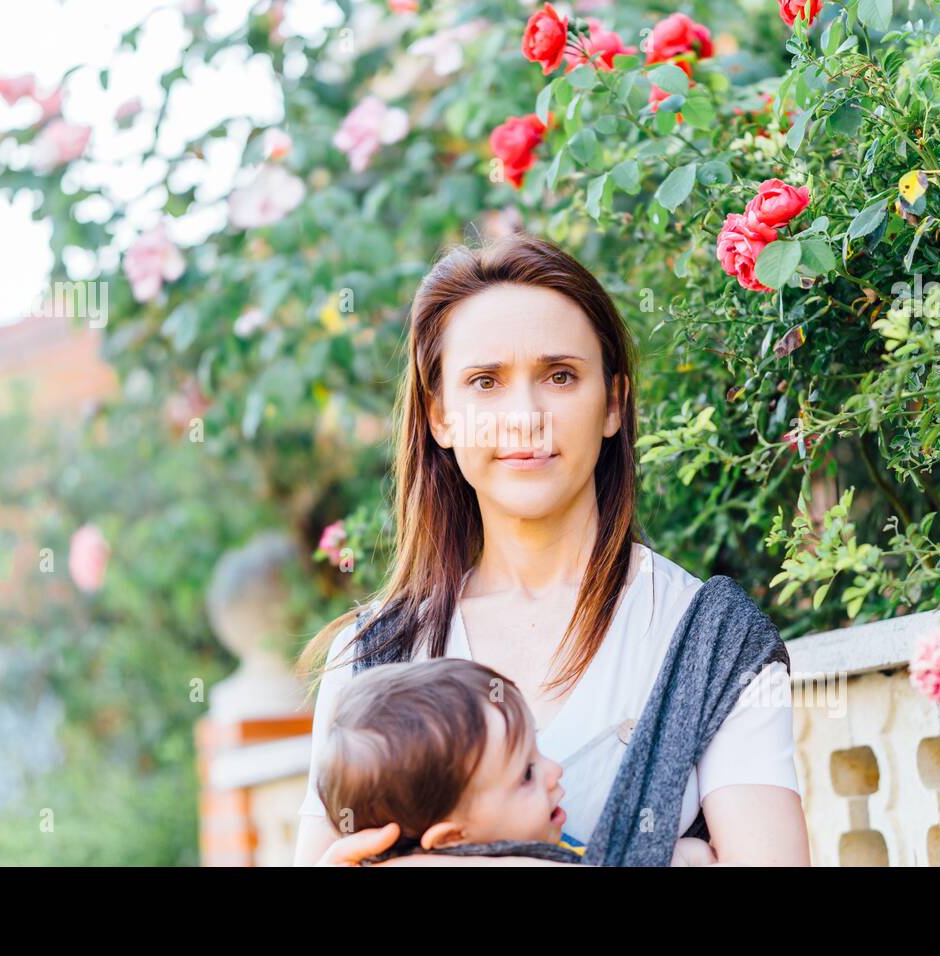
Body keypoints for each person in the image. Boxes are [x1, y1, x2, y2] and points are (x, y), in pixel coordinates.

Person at [293, 232, 810, 866]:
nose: (525, 417)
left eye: (560, 376)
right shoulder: (372, 658)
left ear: (613, 403)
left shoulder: (713, 644)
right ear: (440, 417)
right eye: (485, 382)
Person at [315, 657, 717, 866]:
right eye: (526, 774)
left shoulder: (553, 847)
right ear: (451, 839)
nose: (554, 770)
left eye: (536, 749)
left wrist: (683, 855)